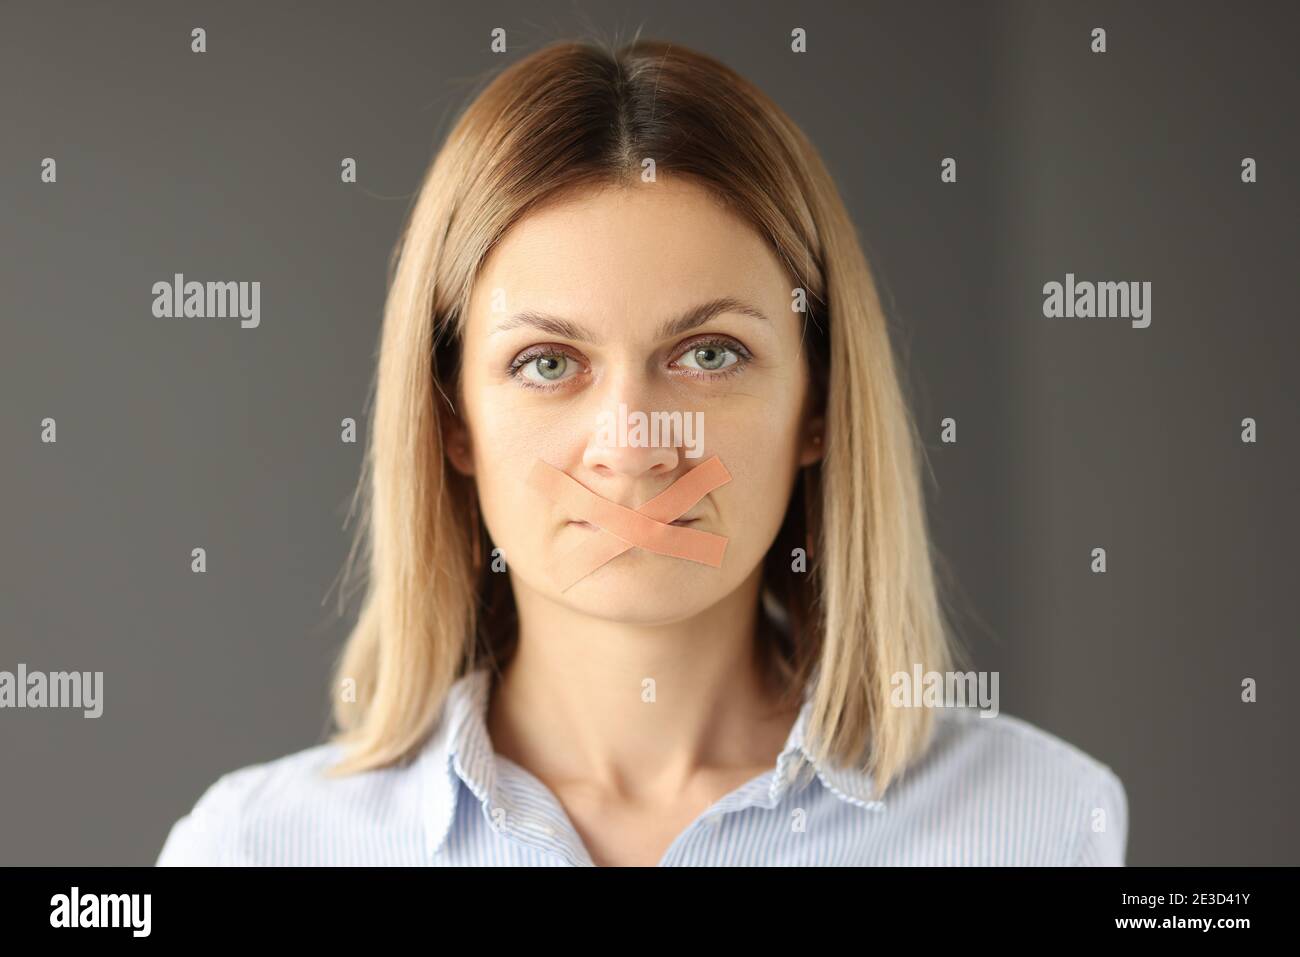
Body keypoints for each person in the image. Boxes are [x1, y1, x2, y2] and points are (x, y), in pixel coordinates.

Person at [157, 37, 1126, 867]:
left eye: (708, 354)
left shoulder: (1037, 821)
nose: (632, 446)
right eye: (547, 362)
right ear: (452, 418)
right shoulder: (255, 850)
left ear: (818, 401)